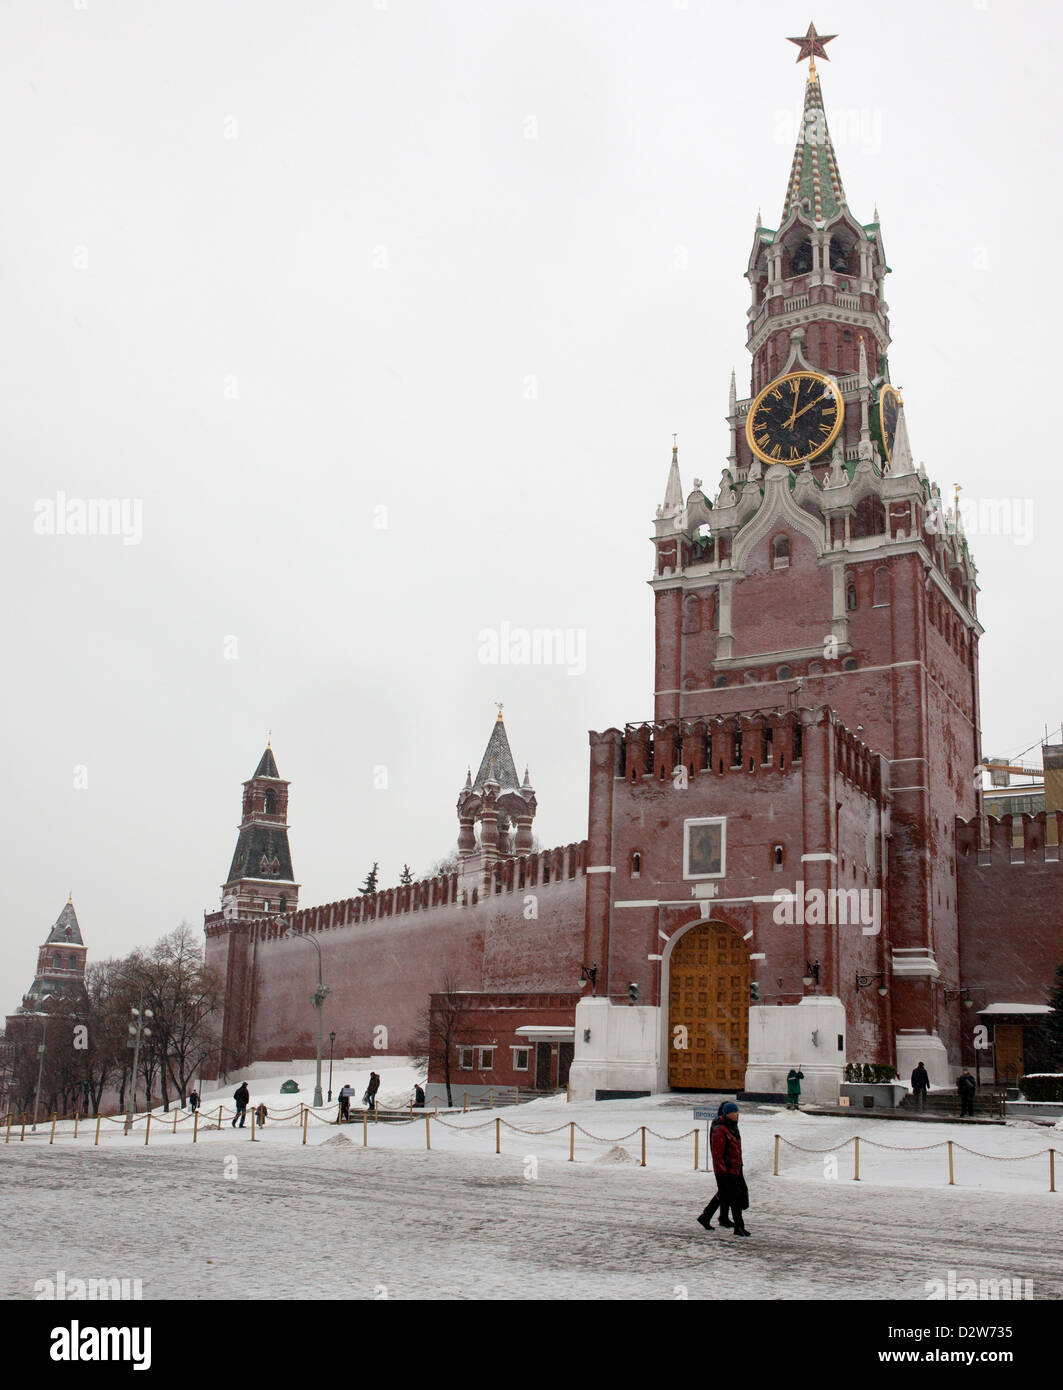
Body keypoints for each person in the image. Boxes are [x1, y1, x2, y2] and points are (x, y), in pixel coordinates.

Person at [707, 1102, 749, 1236]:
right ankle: (738, 1227)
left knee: (728, 1195)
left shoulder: (732, 1126)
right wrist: (723, 1172)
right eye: (734, 1112)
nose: (737, 1114)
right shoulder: (720, 1129)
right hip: (727, 1171)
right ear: (727, 1113)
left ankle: (706, 1217)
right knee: (734, 1198)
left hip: (735, 1168)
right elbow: (717, 1153)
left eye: (737, 1112)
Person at [696, 1103, 732, 1231]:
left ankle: (723, 1217)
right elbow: (719, 1149)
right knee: (724, 1191)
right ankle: (706, 1216)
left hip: (726, 1163)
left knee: (726, 1191)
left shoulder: (724, 1124)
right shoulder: (720, 1126)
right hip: (722, 1164)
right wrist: (722, 1165)